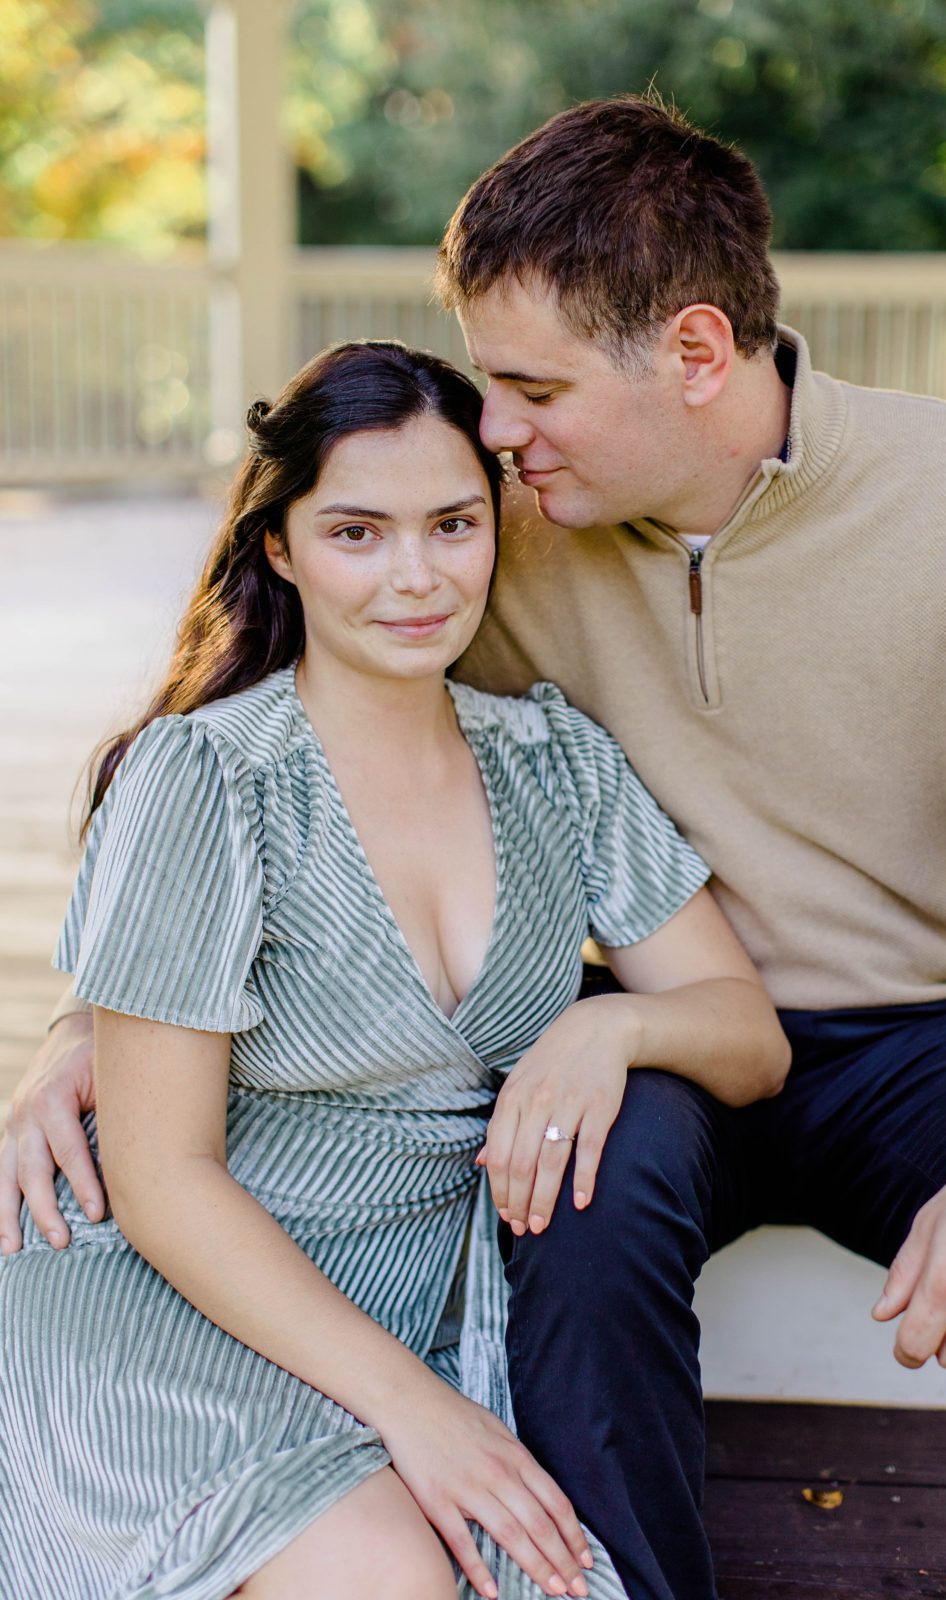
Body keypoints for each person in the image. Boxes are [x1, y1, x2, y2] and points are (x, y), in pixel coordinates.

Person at [5, 91, 946, 1600]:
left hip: (908, 1031)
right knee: (572, 1202)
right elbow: (244, 733)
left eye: (531, 391)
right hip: (640, 1043)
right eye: (488, 396)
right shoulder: (499, 522)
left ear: (694, 355)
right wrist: (89, 1030)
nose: (494, 439)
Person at [0, 338, 791, 1600]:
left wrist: (608, 1032)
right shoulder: (209, 777)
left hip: (425, 1309)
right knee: (383, 1578)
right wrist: (415, 1410)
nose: (415, 577)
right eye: (357, 533)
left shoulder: (554, 763)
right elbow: (161, 1180)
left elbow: (747, 1035)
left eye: (452, 525)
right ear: (280, 547)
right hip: (184, 1311)